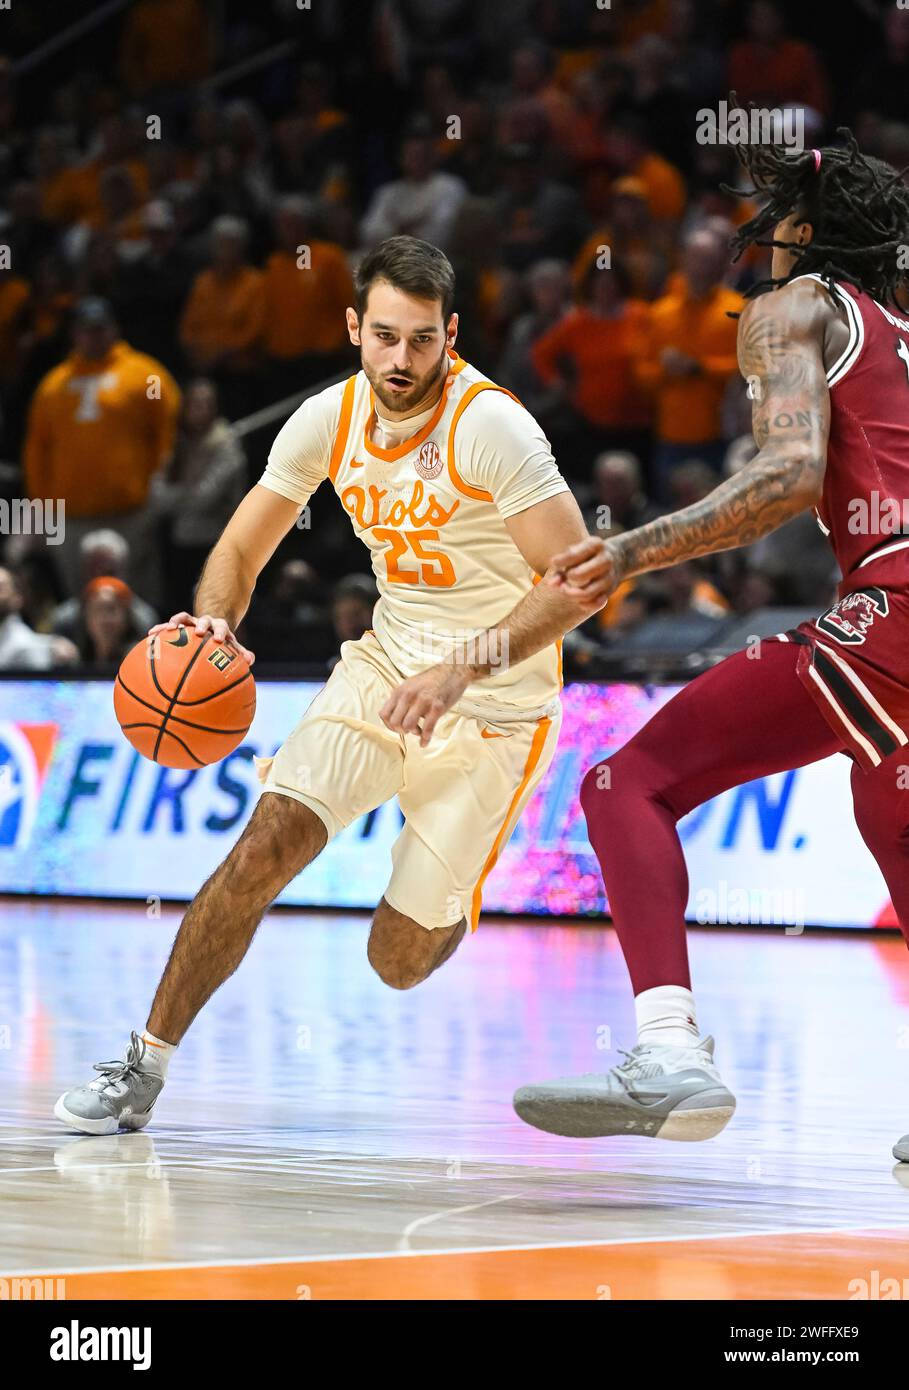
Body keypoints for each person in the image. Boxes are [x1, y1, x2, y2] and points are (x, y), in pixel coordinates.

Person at [54, 234, 601, 1135]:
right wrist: (217, 619)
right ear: (353, 327)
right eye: (383, 336)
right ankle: (141, 1066)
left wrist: (460, 667)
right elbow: (237, 547)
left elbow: (578, 582)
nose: (400, 359)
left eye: (421, 340)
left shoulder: (490, 426)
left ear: (450, 332)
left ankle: (449, 899)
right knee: (263, 845)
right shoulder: (328, 418)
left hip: (496, 709)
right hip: (382, 671)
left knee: (397, 958)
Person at [496, 136, 909, 1158]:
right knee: (884, 799)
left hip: (896, 605)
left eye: (772, 218)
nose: (755, 240)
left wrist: (631, 549)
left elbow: (783, 476)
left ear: (808, 235)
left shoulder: (795, 308)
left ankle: (670, 1049)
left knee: (625, 782)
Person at [22, 296, 181, 606]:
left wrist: (161, 483)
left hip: (132, 513)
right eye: (86, 330)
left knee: (137, 601)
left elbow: (169, 431)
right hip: (70, 517)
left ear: (114, 329)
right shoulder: (53, 385)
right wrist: (40, 506)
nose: (93, 336)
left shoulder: (144, 373)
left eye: (99, 328)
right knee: (81, 601)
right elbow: (37, 449)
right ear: (74, 334)